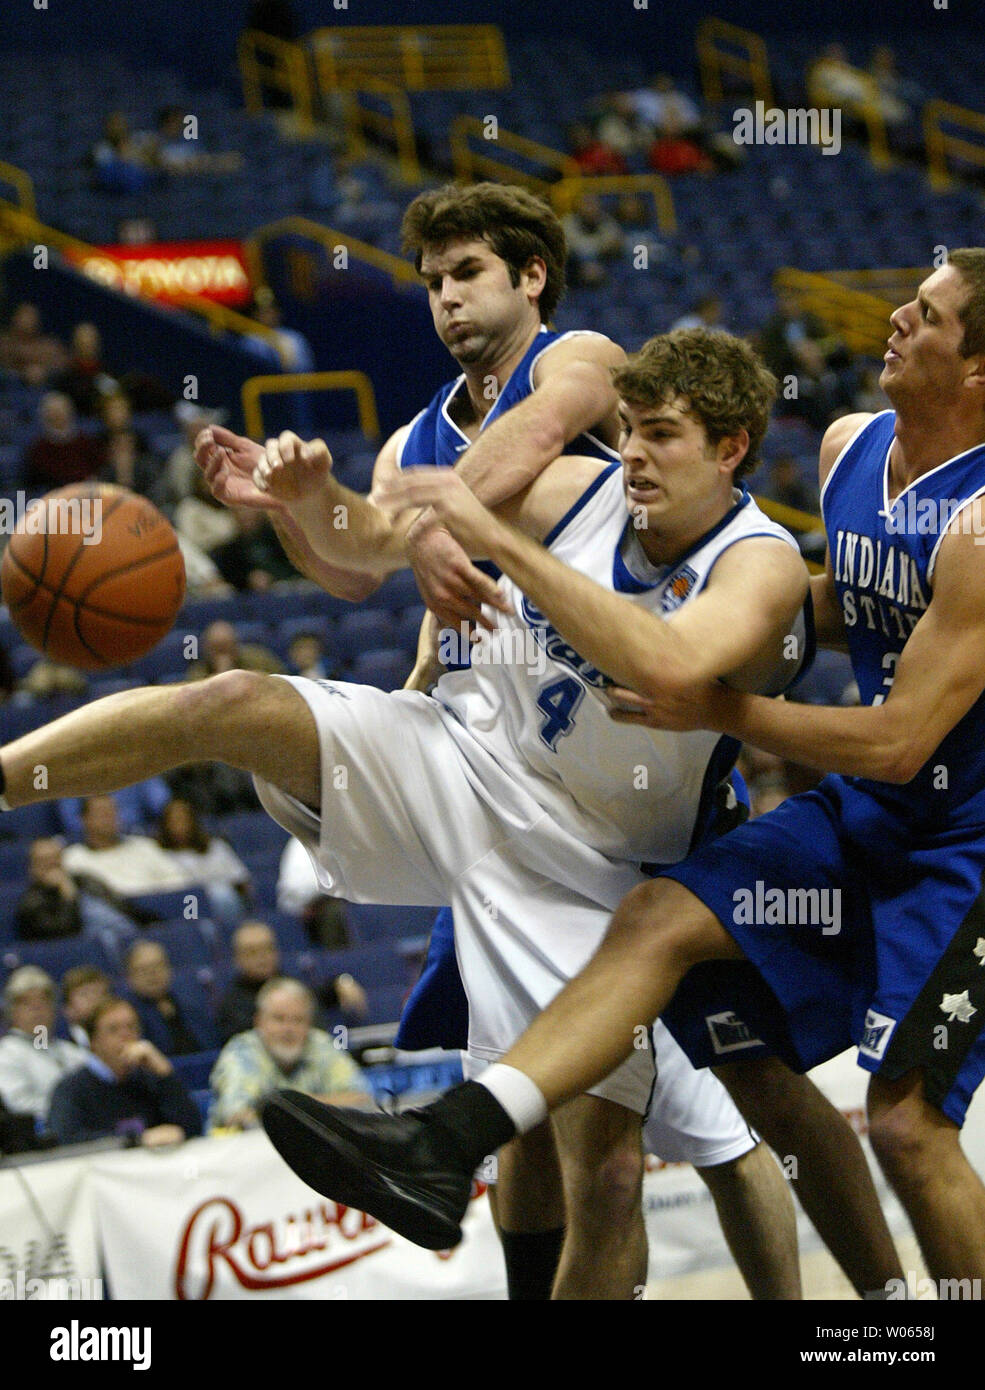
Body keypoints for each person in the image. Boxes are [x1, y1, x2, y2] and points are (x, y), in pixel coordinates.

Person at [0, 326, 898, 1298]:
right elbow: (381, 542)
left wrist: (505, 539)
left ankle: (872, 1304)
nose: (632, 452)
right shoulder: (577, 492)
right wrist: (308, 504)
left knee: (601, 1165)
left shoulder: (756, 561)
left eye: (663, 435)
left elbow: (667, 661)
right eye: (629, 429)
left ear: (728, 448)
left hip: (597, 864)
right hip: (466, 764)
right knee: (229, 704)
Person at [256, 251, 985, 1291]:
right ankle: (445, 1136)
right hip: (860, 808)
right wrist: (752, 615)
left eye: (929, 315)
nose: (896, 316)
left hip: (964, 830)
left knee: (906, 1124)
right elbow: (852, 602)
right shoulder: (848, 447)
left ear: (977, 375)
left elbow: (904, 738)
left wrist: (722, 692)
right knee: (682, 967)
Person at [209, 977, 369, 1131]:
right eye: (279, 1019)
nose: (288, 1029)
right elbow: (236, 1114)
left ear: (309, 1023)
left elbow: (361, 1099)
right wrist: (315, 1108)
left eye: (298, 1020)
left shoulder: (321, 1045)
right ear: (259, 1022)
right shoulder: (241, 1052)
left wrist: (290, 1106)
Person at [48, 997, 201, 1146]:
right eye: (113, 1029)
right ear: (93, 1041)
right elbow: (67, 1140)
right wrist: (137, 1140)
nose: (126, 1035)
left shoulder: (150, 1079)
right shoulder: (71, 1089)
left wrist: (165, 1074)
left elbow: (192, 1129)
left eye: (131, 1027)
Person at [217, 920, 366, 1044]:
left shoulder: (291, 985)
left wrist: (341, 982)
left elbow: (318, 994)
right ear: (237, 959)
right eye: (252, 952)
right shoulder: (232, 1006)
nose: (262, 957)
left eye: (267, 948)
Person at [0, 968, 87, 1131]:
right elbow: (20, 1107)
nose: (37, 1008)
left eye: (43, 1001)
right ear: (12, 1011)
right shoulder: (6, 1054)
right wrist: (72, 1110)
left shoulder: (71, 1051)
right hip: (43, 1138)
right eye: (26, 1003)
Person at [61, 795, 190, 899]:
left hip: (160, 908)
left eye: (112, 811)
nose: (109, 818)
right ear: (85, 819)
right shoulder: (73, 858)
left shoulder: (144, 846)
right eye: (102, 813)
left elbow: (177, 879)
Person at [155, 797, 252, 927]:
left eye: (183, 820)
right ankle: (196, 932)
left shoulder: (216, 846)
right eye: (174, 821)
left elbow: (241, 880)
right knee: (193, 902)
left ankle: (233, 928)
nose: (179, 826)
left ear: (193, 821)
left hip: (223, 903)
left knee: (222, 893)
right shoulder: (159, 854)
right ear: (165, 825)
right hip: (187, 904)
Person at [121, 940, 218, 1056]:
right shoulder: (127, 1017)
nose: (152, 973)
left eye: (158, 966)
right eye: (143, 969)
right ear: (129, 977)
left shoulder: (190, 1004)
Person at [58, 966, 112, 1047]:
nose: (94, 999)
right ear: (68, 1008)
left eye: (100, 994)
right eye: (84, 994)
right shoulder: (62, 1043)